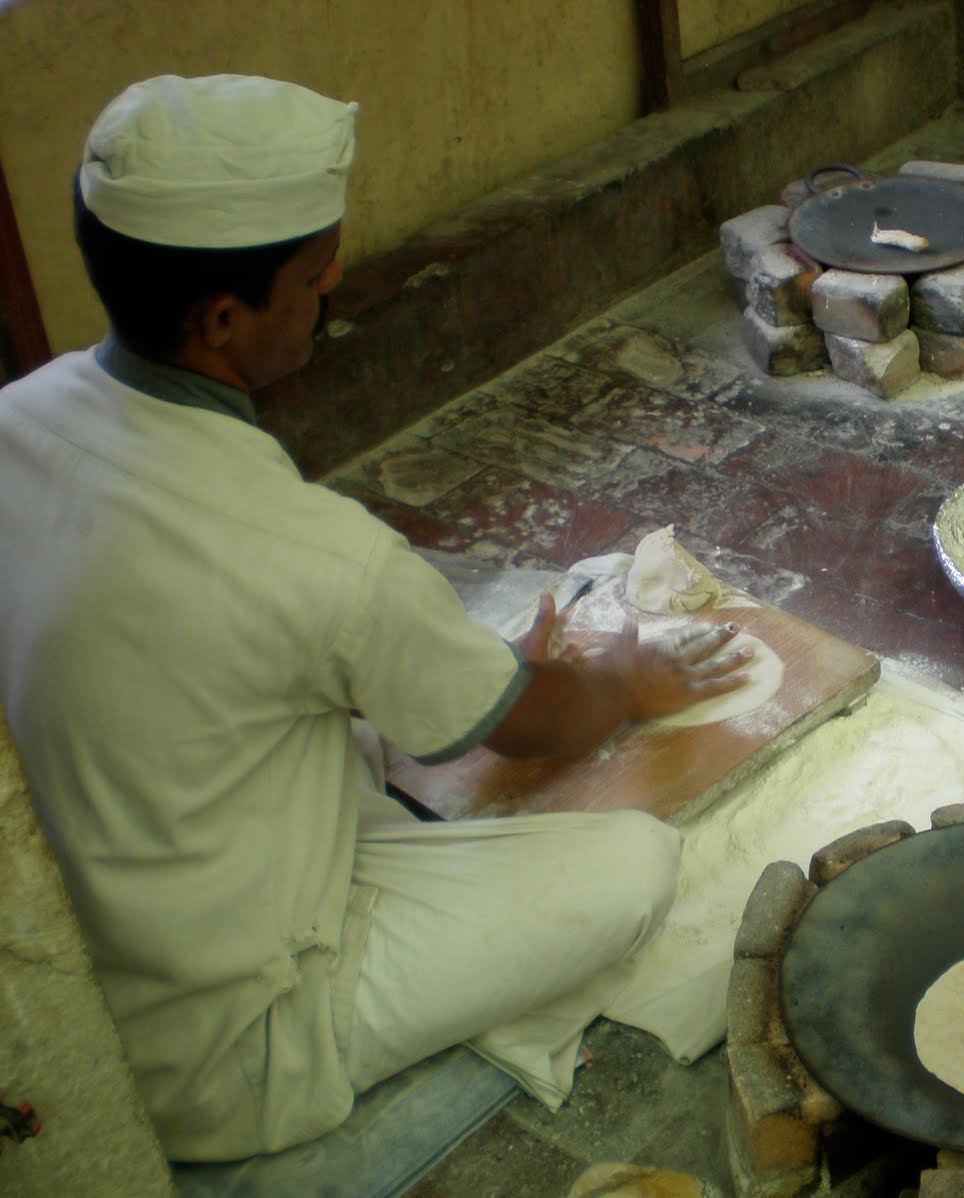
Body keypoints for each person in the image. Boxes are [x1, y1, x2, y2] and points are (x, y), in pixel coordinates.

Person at [0, 74, 747, 1161]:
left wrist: (454, 671)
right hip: (220, 1045)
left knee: (359, 725)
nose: (333, 289)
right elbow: (531, 727)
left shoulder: (18, 416)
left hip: (95, 938)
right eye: (314, 277)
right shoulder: (313, 551)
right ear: (222, 319)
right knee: (634, 863)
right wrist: (622, 679)